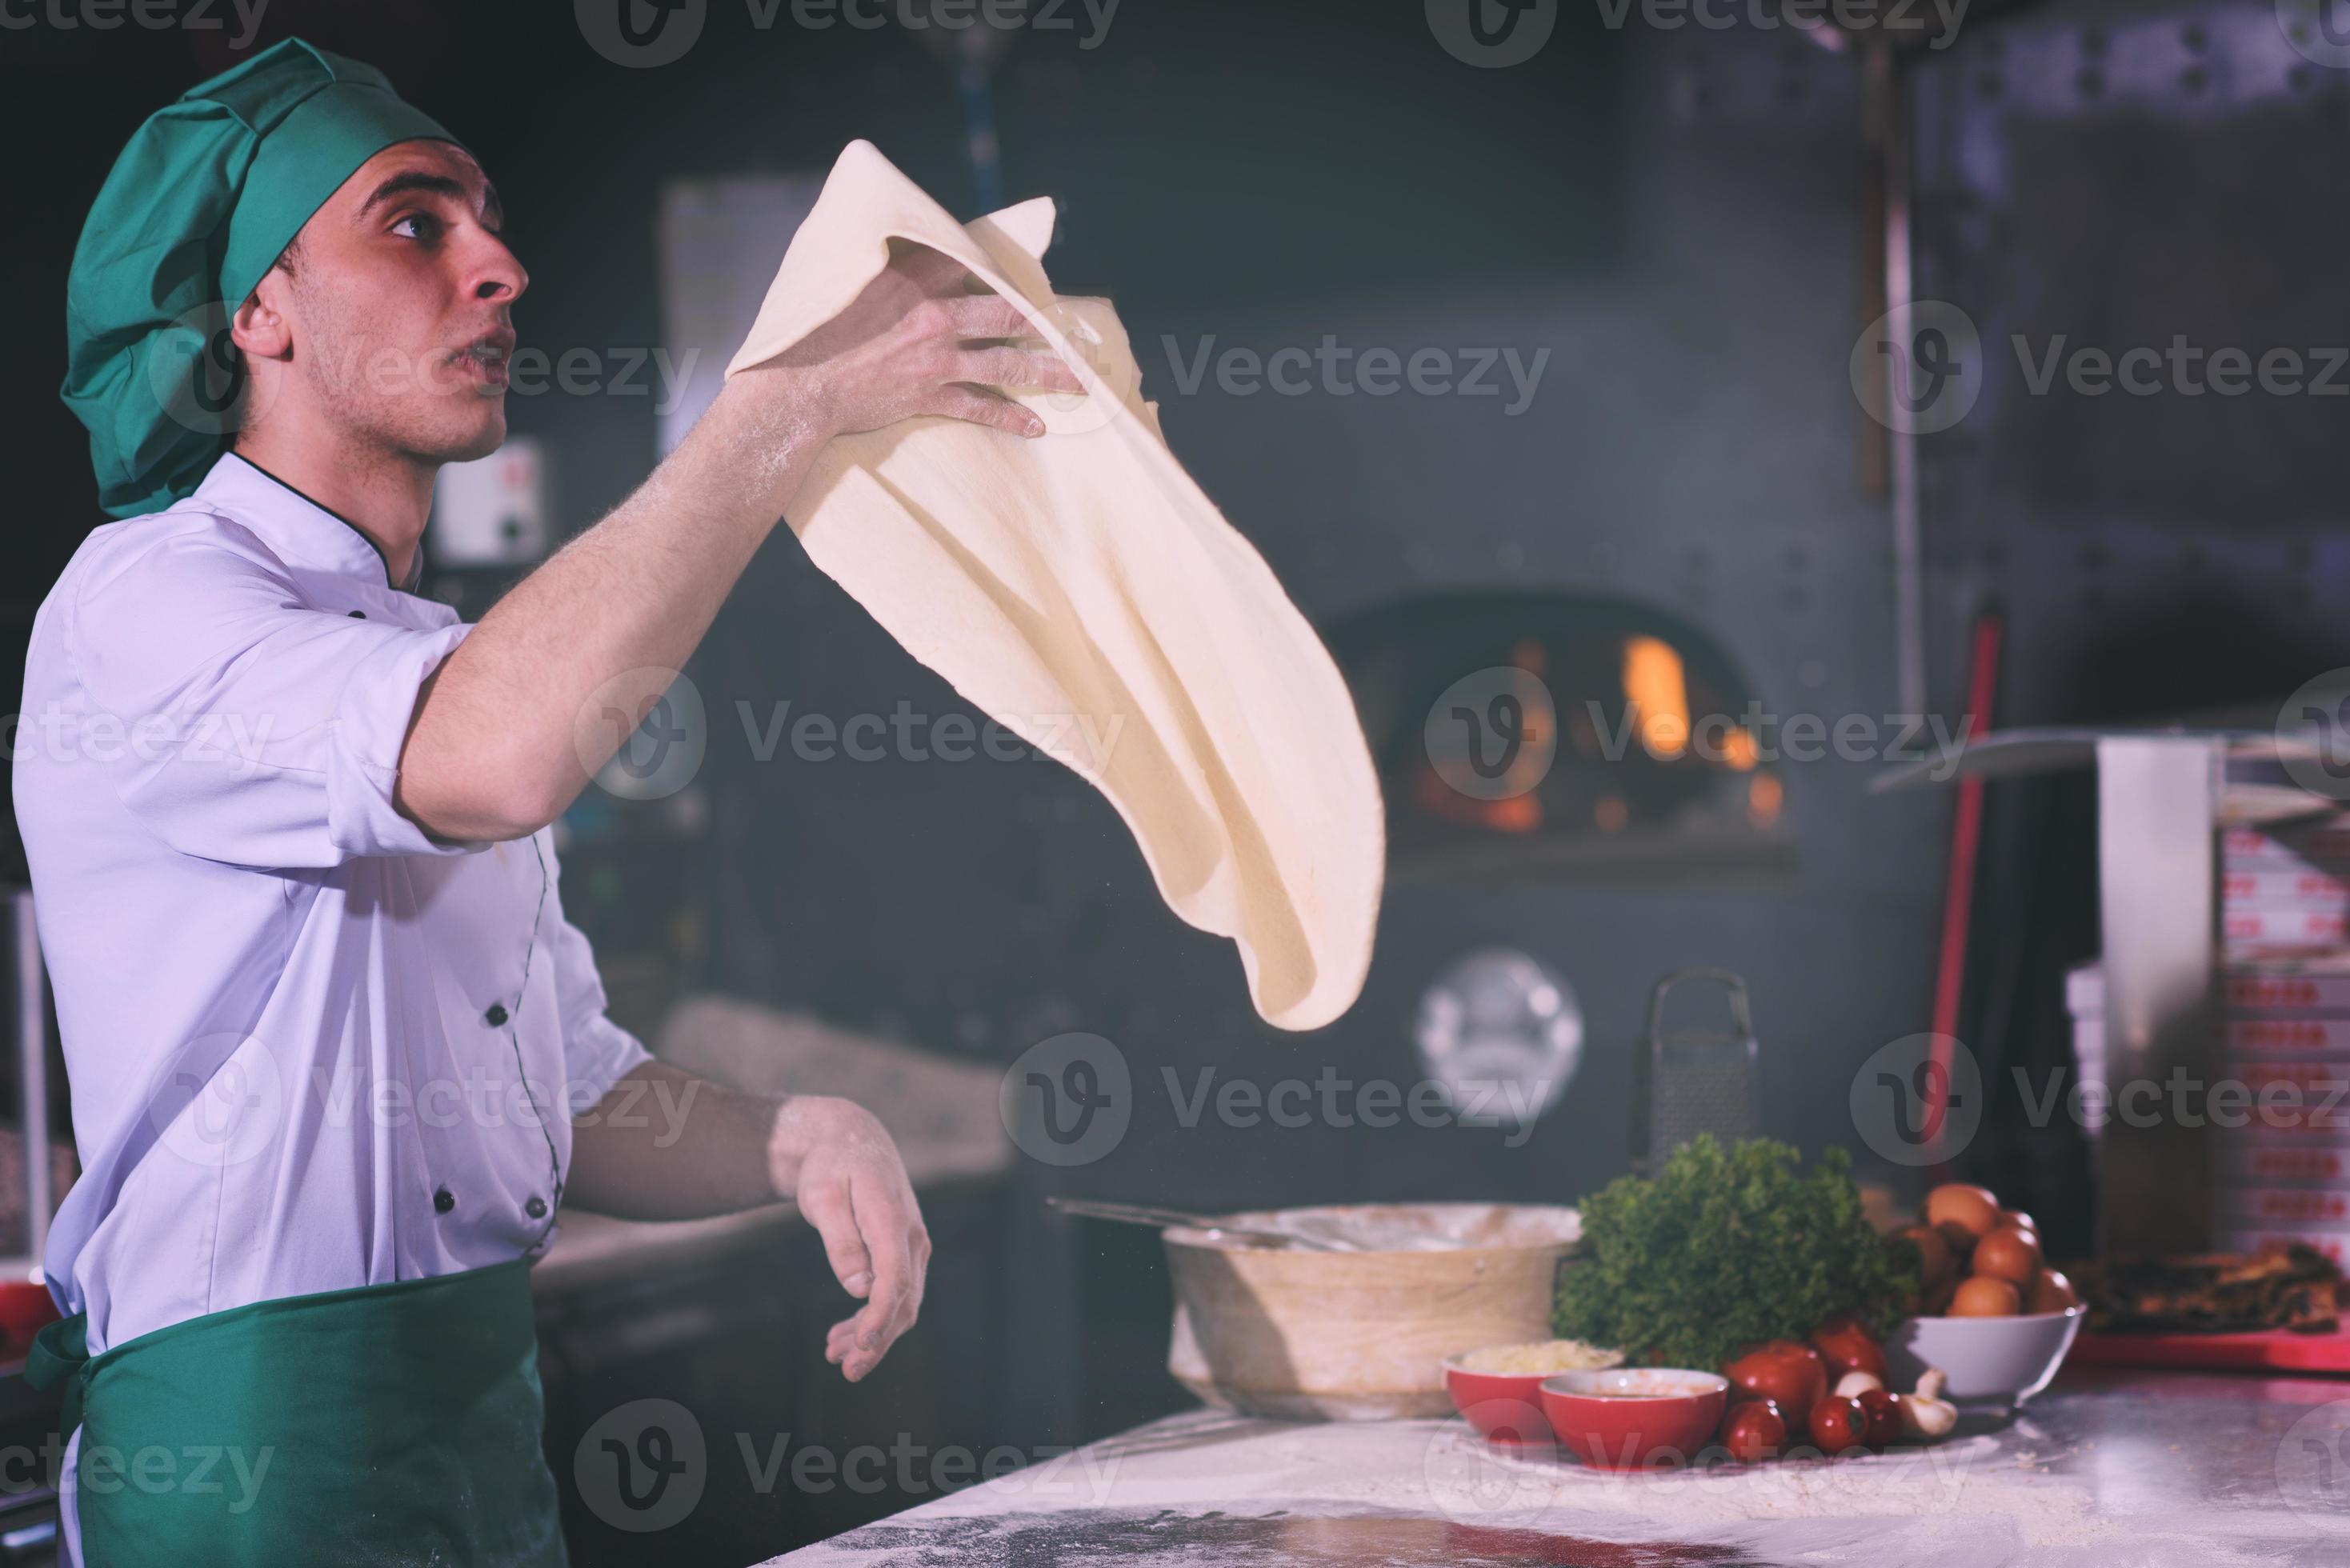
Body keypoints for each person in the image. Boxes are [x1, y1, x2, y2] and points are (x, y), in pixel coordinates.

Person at [16, 36, 1078, 1565]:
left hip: (478, 1447)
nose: (500, 266)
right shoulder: (147, 606)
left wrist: (797, 1137)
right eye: (413, 221)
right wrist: (772, 412)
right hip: (245, 1468)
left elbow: (567, 1102)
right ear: (258, 311)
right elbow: (498, 754)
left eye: (490, 218)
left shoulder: (433, 657)